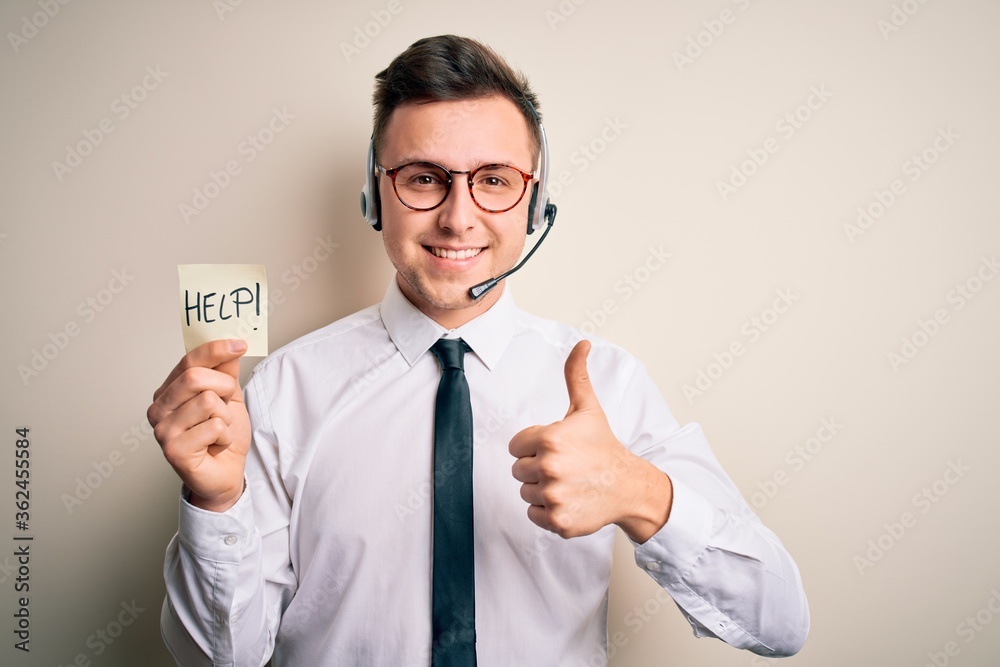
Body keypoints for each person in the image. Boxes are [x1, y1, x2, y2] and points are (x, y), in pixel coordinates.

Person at [147, 34, 809, 666]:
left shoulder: (610, 382)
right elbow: (221, 658)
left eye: (493, 180)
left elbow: (779, 621)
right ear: (377, 195)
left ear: (534, 200)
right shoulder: (285, 390)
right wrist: (216, 501)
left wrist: (644, 495)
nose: (459, 217)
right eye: (424, 177)